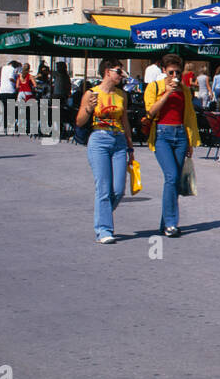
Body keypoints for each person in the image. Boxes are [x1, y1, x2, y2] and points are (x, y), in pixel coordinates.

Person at [76, 60, 134, 243]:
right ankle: (104, 230)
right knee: (103, 187)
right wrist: (88, 108)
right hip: (99, 139)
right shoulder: (92, 93)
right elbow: (79, 121)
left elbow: (125, 121)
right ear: (107, 72)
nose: (122, 74)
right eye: (119, 71)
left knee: (118, 189)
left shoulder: (121, 95)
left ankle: (103, 215)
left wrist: (130, 146)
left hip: (118, 140)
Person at [144, 55, 200, 236]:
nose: (175, 75)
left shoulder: (185, 90)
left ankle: (166, 223)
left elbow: (190, 116)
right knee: (171, 176)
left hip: (180, 135)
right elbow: (150, 111)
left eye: (178, 72)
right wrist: (167, 92)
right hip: (162, 135)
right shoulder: (154, 87)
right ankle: (170, 223)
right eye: (171, 72)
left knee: (174, 182)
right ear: (163, 71)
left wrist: (191, 141)